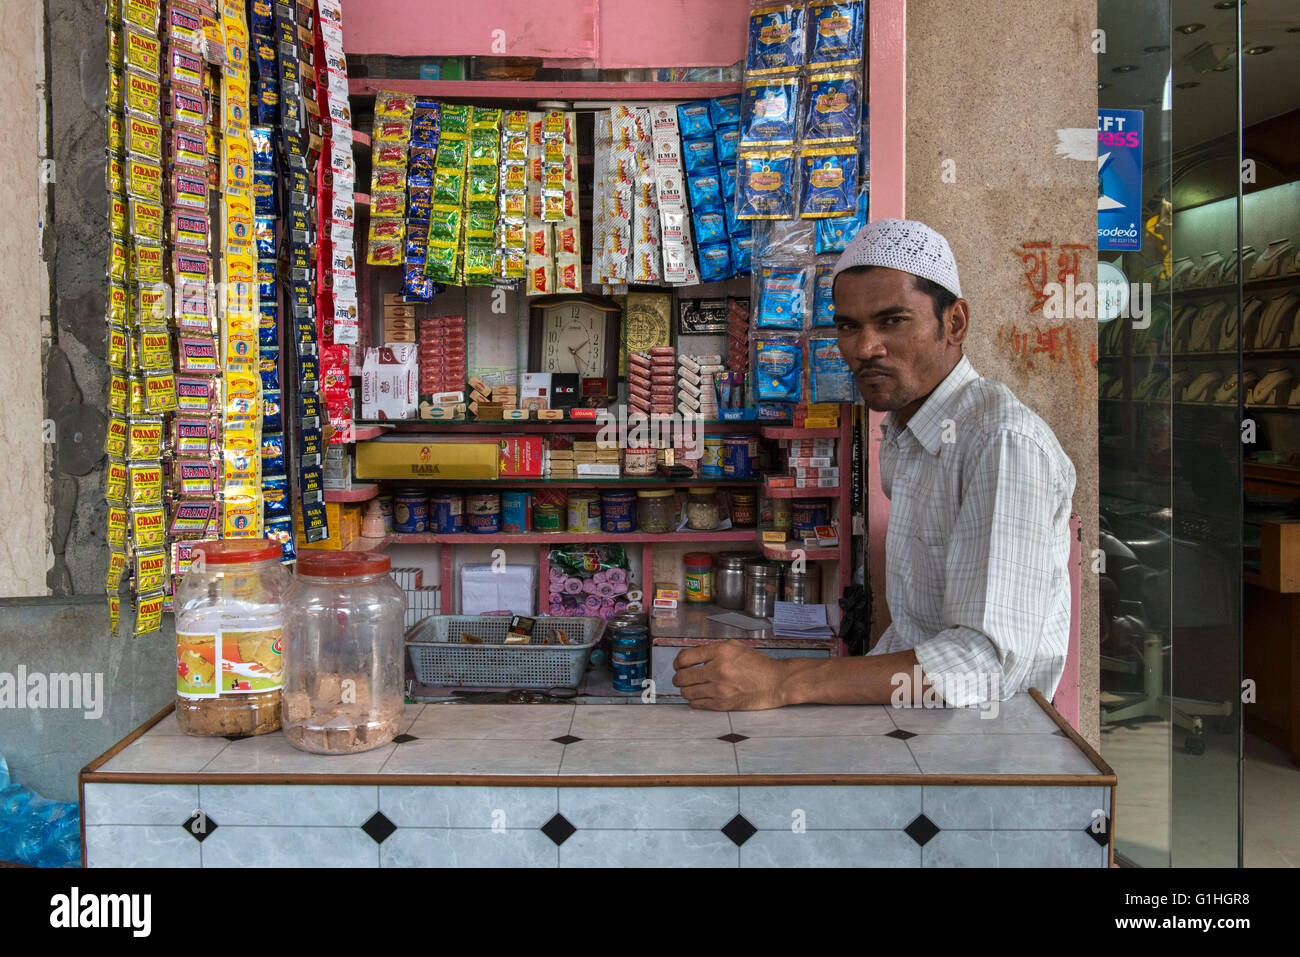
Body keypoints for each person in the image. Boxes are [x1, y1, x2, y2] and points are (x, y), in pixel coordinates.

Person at [672, 219, 1077, 711]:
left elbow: (983, 664)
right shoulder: (907, 432)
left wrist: (783, 682)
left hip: (989, 753)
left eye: (892, 321)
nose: (865, 349)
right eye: (848, 327)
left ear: (955, 323)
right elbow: (917, 633)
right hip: (921, 735)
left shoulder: (1000, 443)